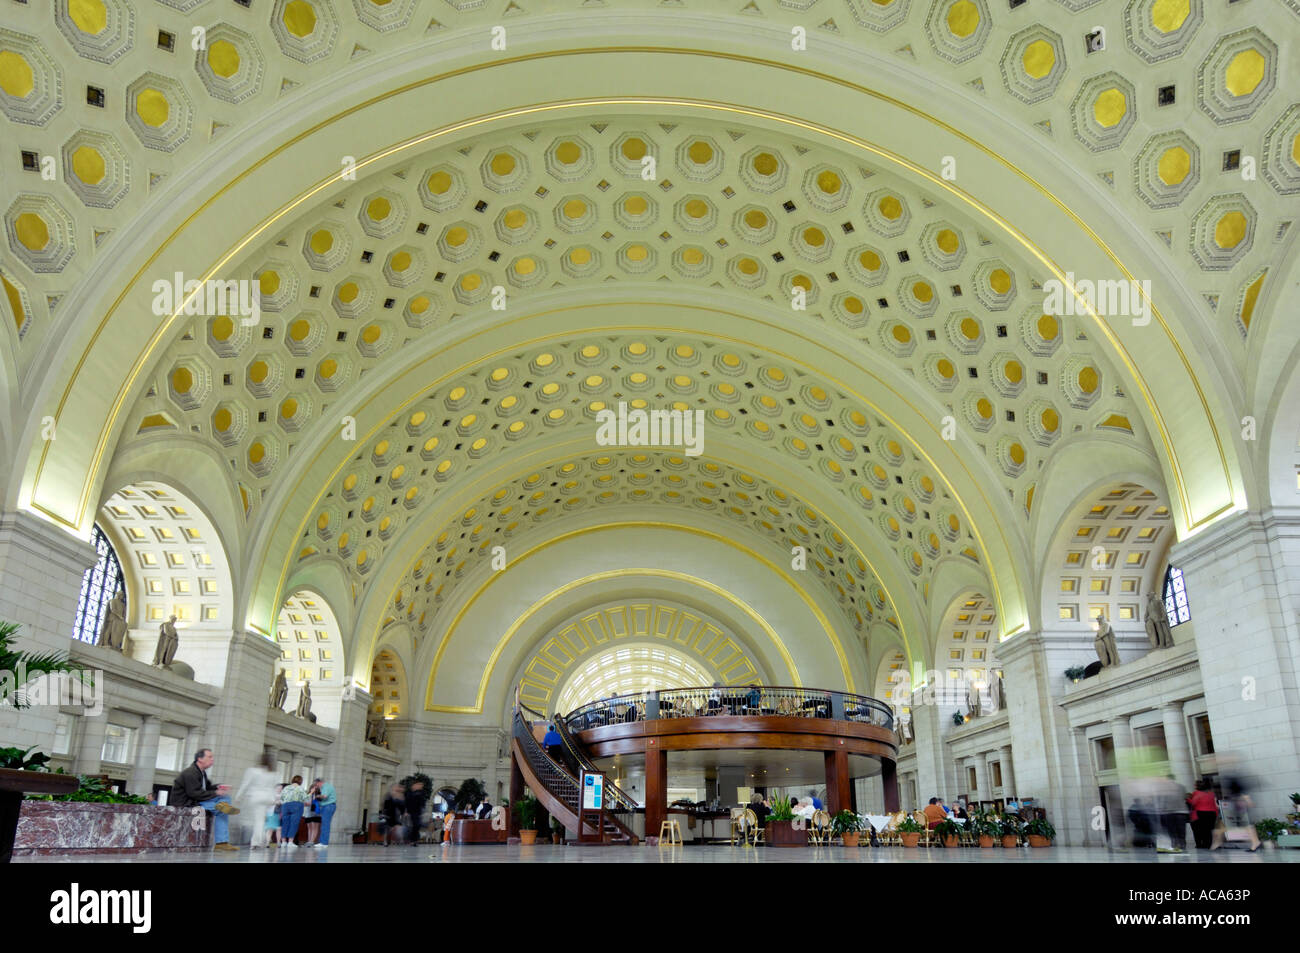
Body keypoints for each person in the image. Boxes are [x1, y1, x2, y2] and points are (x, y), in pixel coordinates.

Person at [169, 748, 241, 852]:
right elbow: (194, 793)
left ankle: (222, 842)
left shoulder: (202, 773)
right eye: (210, 757)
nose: (212, 759)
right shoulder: (190, 773)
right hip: (187, 802)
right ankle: (220, 809)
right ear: (200, 759)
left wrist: (219, 787)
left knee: (225, 798)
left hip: (199, 800)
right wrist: (216, 793)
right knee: (220, 807)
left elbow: (207, 788)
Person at [234, 752, 280, 849]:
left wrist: (238, 796)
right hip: (267, 798)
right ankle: (259, 839)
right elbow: (274, 787)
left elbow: (245, 784)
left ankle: (257, 841)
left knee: (256, 820)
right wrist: (274, 799)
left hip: (255, 797)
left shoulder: (252, 771)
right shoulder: (274, 774)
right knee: (260, 820)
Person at [279, 775, 309, 847]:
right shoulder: (300, 788)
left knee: (285, 823)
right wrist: (311, 792)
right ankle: (290, 842)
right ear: (300, 781)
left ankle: (283, 842)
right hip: (297, 805)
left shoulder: (286, 788)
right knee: (294, 823)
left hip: (285, 806)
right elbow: (305, 798)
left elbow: (282, 797)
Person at [1188, 779, 1218, 850]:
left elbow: (1193, 803)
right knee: (1210, 829)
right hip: (1212, 813)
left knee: (1203, 829)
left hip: (1202, 812)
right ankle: (1209, 843)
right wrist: (1216, 814)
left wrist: (1188, 799)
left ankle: (1203, 844)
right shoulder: (1211, 793)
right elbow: (1214, 805)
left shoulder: (1197, 793)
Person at [310, 778, 337, 847]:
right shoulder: (326, 787)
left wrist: (317, 796)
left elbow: (324, 796)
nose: (316, 787)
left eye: (316, 785)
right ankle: (322, 842)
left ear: (319, 782)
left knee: (325, 825)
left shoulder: (325, 786)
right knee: (324, 824)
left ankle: (324, 843)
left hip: (328, 806)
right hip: (327, 806)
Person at [405, 779, 429, 844]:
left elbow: (423, 802)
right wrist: (406, 811)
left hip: (418, 812)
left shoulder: (421, 793)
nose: (421, 786)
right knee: (414, 825)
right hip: (411, 812)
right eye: (420, 784)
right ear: (415, 785)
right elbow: (407, 802)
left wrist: (424, 811)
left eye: (421, 785)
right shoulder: (409, 792)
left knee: (416, 825)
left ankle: (414, 840)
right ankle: (412, 839)